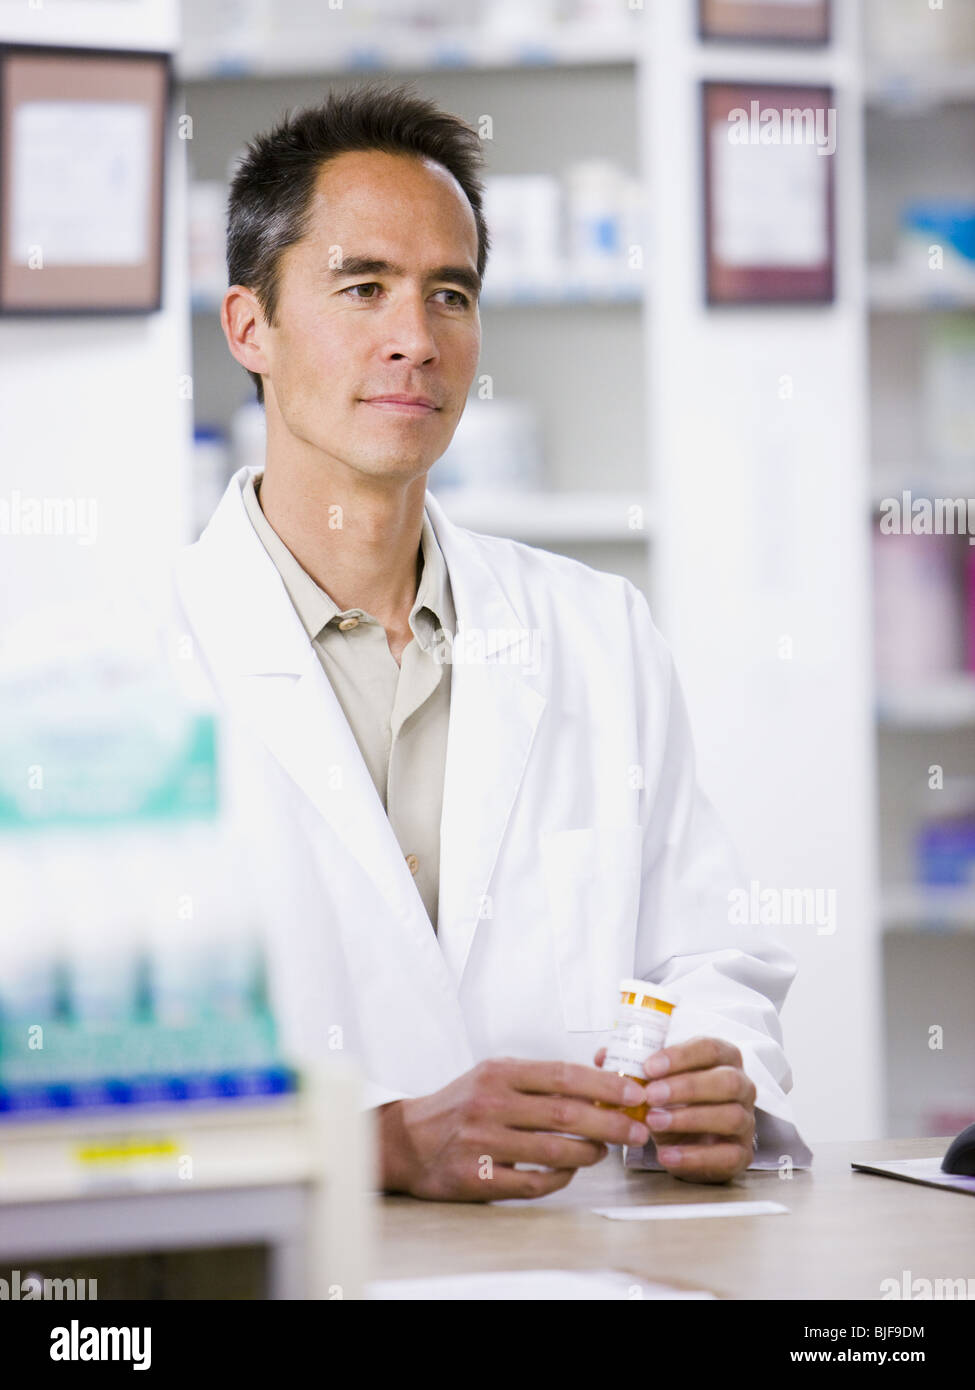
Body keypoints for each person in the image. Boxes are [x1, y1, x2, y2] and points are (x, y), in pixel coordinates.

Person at [172, 80, 812, 1203]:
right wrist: (375, 1144)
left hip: (580, 1253)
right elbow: (79, 1062)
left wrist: (721, 1079)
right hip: (292, 1261)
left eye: (450, 294)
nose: (415, 341)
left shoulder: (593, 631)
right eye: (363, 288)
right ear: (249, 327)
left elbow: (704, 952)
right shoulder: (142, 663)